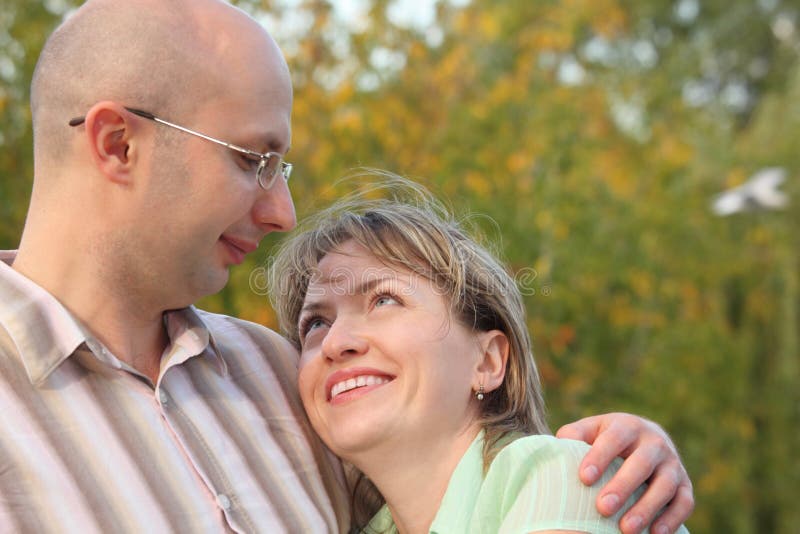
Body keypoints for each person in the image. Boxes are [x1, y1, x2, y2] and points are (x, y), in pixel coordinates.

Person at [0, 0, 692, 532]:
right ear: (119, 145)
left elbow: (465, 474)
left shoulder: (278, 378)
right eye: (251, 160)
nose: (282, 213)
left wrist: (620, 459)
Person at [268, 179, 690, 533]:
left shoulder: (565, 473)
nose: (335, 341)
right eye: (315, 324)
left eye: (384, 300)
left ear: (487, 362)